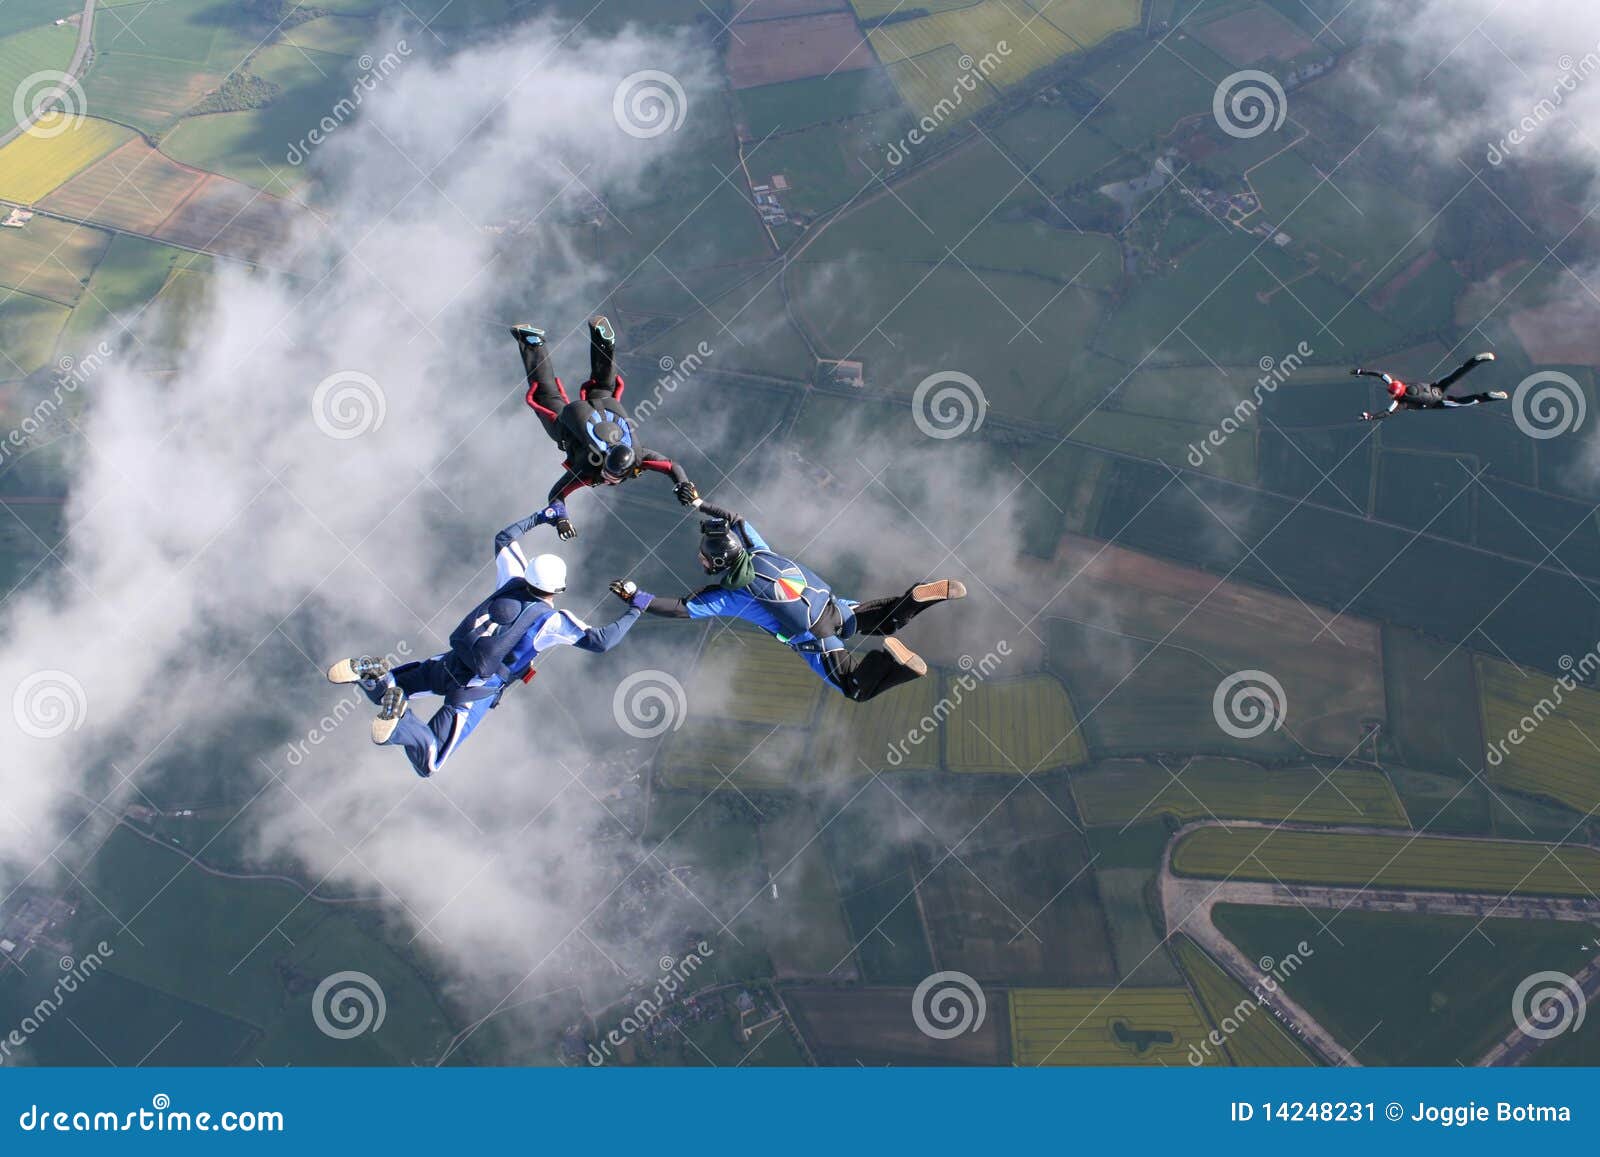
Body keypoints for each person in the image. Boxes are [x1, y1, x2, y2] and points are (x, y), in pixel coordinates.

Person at [326, 506, 646, 777]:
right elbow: (602, 641)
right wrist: (636, 608)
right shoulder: (551, 620)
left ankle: (376, 675)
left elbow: (504, 539)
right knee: (430, 762)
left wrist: (546, 516)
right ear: (558, 589)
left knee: (394, 684)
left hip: (450, 661)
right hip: (475, 689)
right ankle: (399, 723)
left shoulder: (513, 579)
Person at [609, 499, 965, 702]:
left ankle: (895, 663)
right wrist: (702, 504)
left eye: (705, 558)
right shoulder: (760, 551)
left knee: (856, 688)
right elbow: (737, 519)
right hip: (831, 607)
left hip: (813, 637)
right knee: (884, 619)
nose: (701, 561)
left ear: (719, 563)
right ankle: (915, 598)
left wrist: (636, 597)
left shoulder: (731, 595)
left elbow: (682, 609)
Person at [513, 315, 699, 538]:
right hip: (573, 419)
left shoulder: (640, 455)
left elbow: (672, 467)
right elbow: (557, 493)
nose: (607, 477)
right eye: (609, 474)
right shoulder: (589, 467)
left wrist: (683, 484)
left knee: (603, 385)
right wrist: (561, 518)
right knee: (546, 394)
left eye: (609, 475)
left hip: (607, 407)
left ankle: (605, 344)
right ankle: (533, 343)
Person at [1353, 352, 1506, 421]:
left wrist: (1370, 417)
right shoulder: (1397, 384)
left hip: (1438, 402)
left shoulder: (1401, 403)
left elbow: (1387, 413)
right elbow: (1382, 375)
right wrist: (1362, 371)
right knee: (1456, 373)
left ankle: (1487, 397)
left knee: (1463, 402)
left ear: (1396, 394)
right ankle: (1476, 361)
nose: (1389, 394)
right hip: (1436, 387)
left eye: (1390, 393)